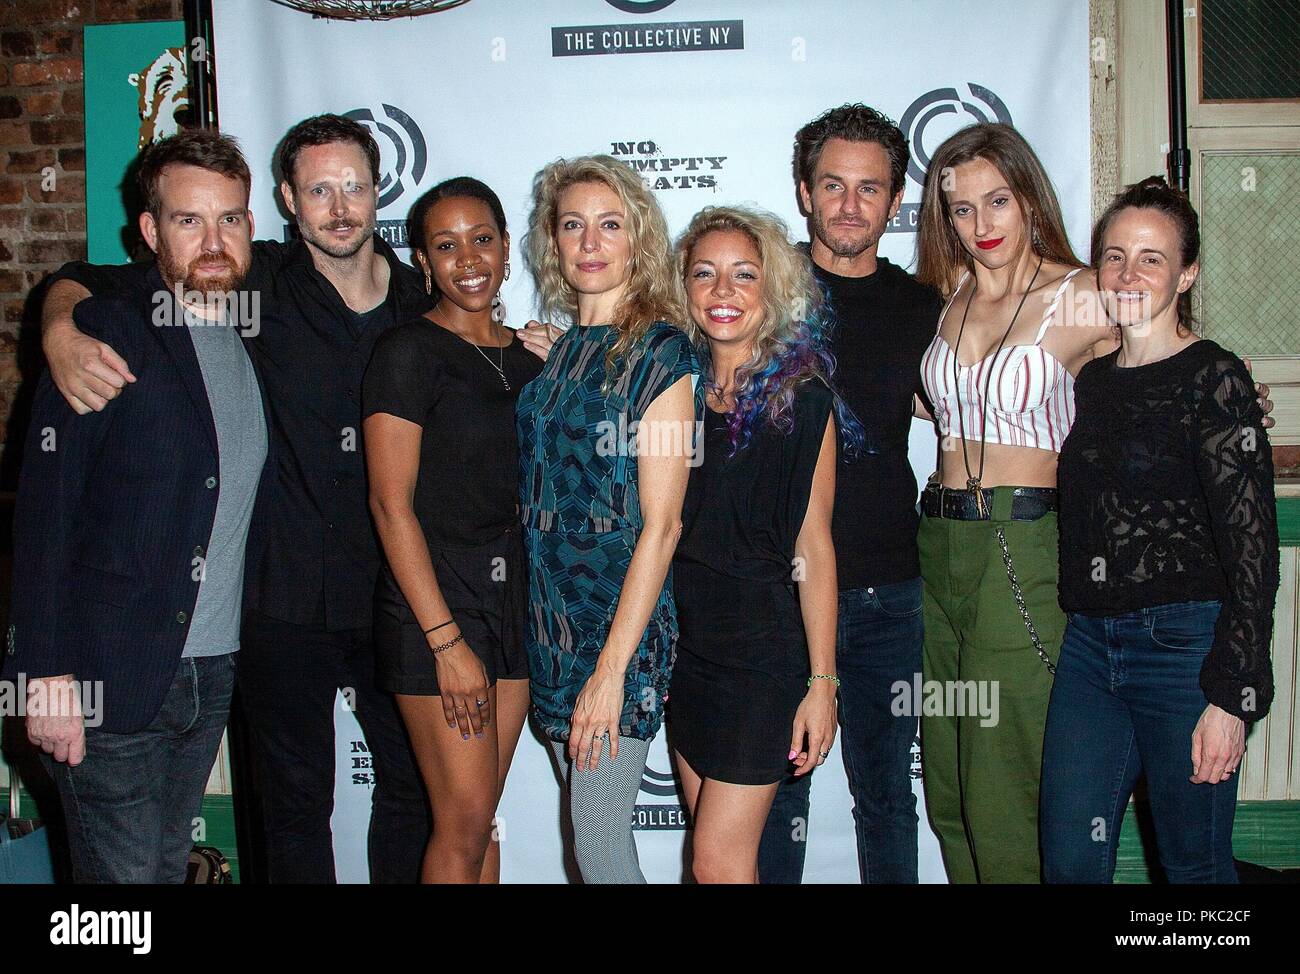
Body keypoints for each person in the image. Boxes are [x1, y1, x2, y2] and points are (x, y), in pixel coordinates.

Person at [37, 114, 432, 884]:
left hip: (394, 597)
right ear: (288, 200)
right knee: (288, 810)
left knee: (413, 796)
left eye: (354, 186)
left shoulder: (421, 298)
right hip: (278, 605)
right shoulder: (256, 280)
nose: (342, 205)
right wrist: (58, 325)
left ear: (377, 188)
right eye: (320, 189)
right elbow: (108, 282)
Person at [914, 123, 1273, 883]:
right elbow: (932, 401)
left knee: (1001, 780)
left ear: (1031, 200)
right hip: (940, 546)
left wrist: (1237, 395)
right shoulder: (949, 299)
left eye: (998, 201)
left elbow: (1164, 350)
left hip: (1021, 544)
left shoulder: (1079, 294)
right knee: (948, 785)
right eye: (962, 209)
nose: (981, 225)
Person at [6, 130, 269, 882]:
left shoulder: (253, 328)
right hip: (103, 677)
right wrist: (43, 676)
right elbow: (45, 513)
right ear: (152, 231)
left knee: (159, 874)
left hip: (208, 672)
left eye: (230, 218)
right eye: (190, 220)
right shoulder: (106, 330)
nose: (213, 241)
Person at [1042, 177, 1278, 883]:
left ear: (1187, 272)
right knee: (1070, 862)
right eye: (1115, 256)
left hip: (1185, 649)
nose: (1128, 273)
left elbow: (1253, 554)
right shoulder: (1095, 380)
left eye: (1151, 257)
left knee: (1193, 867)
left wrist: (1232, 695)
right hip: (1090, 649)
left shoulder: (1215, 378)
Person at [759, 104, 944, 885]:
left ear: (895, 200)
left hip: (888, 591)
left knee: (887, 800)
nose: (848, 205)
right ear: (804, 191)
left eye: (869, 189)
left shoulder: (923, 310)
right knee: (773, 802)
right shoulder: (757, 290)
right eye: (832, 185)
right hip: (776, 589)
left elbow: (1001, 397)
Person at [516, 155, 701, 883]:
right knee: (590, 840)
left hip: (616, 639)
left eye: (610, 224)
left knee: (599, 852)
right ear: (553, 242)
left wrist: (611, 672)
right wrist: (561, 354)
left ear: (638, 240)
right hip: (550, 630)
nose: (590, 242)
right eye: (573, 225)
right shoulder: (562, 353)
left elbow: (662, 526)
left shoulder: (664, 355)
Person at [363, 177, 539, 883]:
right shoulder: (406, 353)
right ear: (424, 263)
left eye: (482, 239)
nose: (468, 259)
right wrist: (446, 641)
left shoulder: (531, 356)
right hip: (434, 603)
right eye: (446, 245)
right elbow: (389, 505)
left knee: (485, 817)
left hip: (515, 599)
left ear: (505, 248)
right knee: (462, 820)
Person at [670, 205, 850, 883]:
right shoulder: (672, 396)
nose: (723, 291)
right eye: (706, 274)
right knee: (713, 858)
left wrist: (823, 683)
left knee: (719, 862)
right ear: (684, 288)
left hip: (764, 661)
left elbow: (817, 548)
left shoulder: (801, 402)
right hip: (691, 656)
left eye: (744, 275)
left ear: (771, 288)